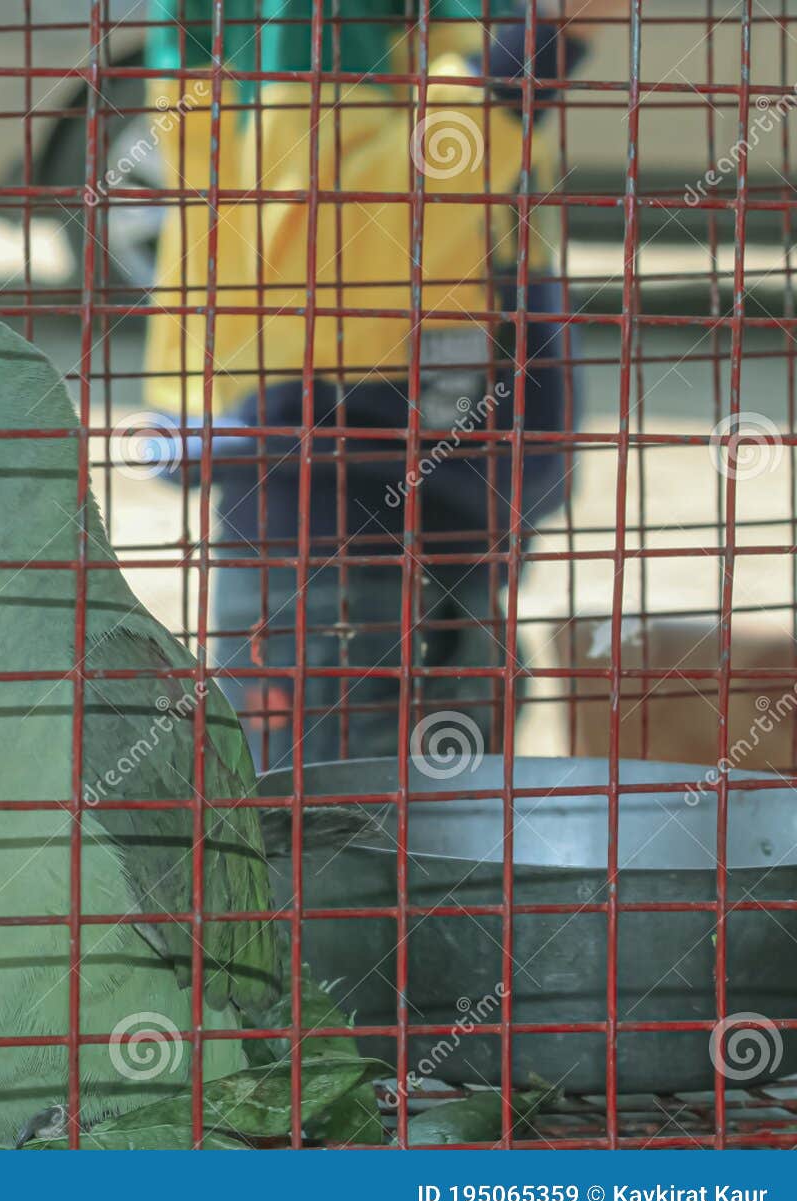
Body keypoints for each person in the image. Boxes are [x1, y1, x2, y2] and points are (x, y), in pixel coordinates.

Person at [137, 0, 628, 768]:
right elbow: (345, 232)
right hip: (338, 524)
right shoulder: (312, 30)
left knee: (440, 809)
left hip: (444, 509)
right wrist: (542, 47)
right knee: (330, 814)